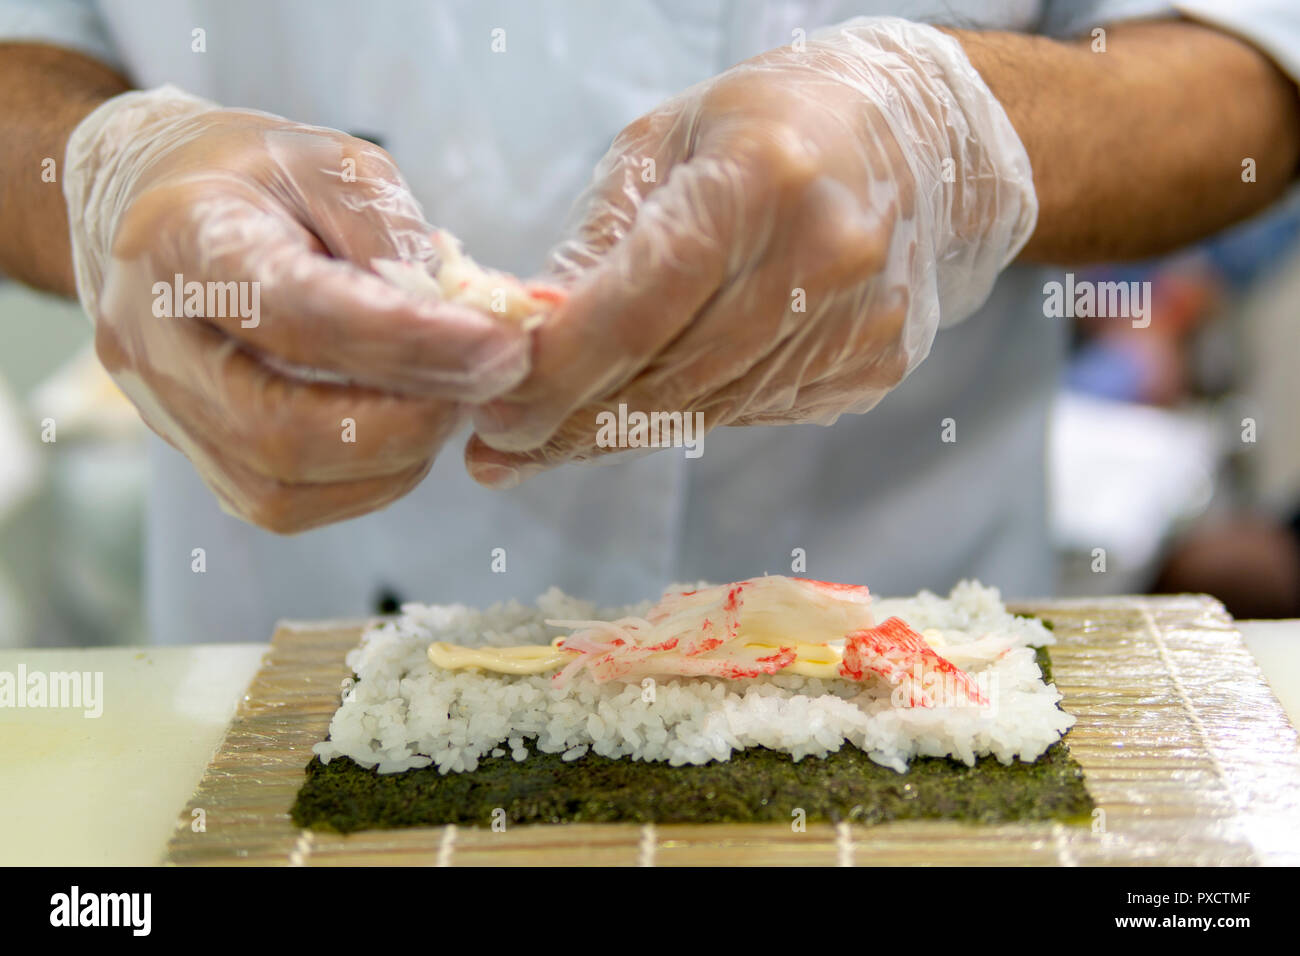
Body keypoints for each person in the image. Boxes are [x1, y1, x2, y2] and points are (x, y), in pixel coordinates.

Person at [1, 1, 1297, 644]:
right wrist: (108, 169)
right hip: (295, 634)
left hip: (889, 627)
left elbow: (1247, 63)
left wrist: (951, 138)